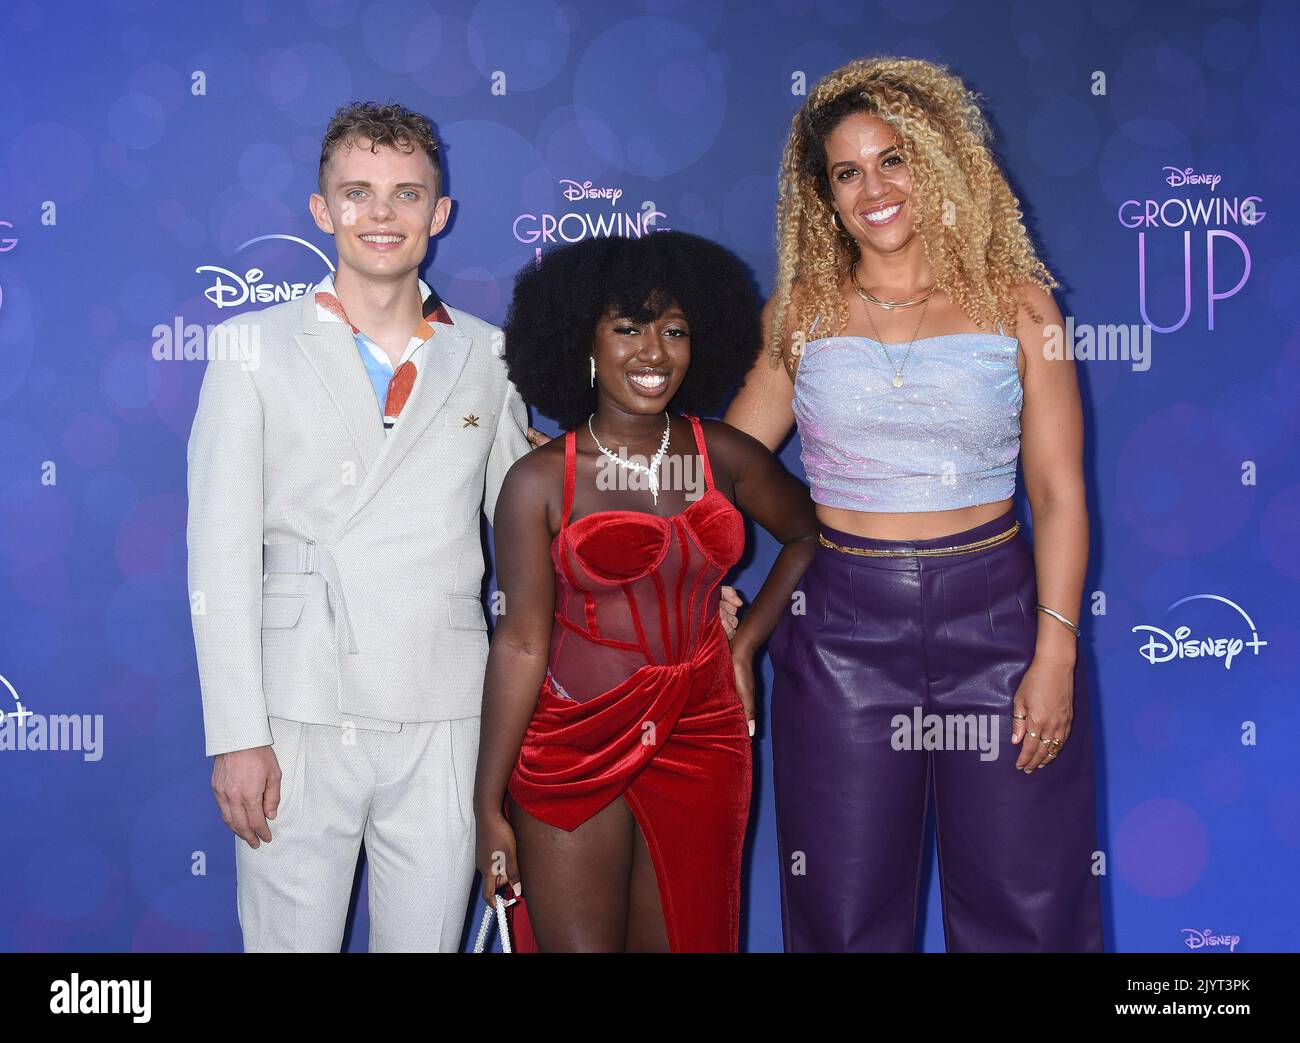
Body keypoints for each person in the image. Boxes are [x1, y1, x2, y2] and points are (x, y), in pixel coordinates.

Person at [723, 57, 1104, 951]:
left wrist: (1054, 650)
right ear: (825, 195)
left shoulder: (1019, 304)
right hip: (842, 631)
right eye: (847, 172)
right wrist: (700, 574)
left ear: (934, 161)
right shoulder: (802, 313)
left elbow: (1057, 491)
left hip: (1001, 622)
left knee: (1030, 908)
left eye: (892, 159)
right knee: (844, 914)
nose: (874, 188)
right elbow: (724, 471)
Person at [187, 101, 547, 951]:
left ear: (439, 213)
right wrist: (238, 733)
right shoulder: (251, 349)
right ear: (322, 211)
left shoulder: (492, 357)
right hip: (297, 708)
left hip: (446, 709)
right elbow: (219, 554)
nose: (381, 214)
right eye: (357, 193)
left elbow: (535, 525)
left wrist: (677, 573)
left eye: (406, 193)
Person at [472, 231, 819, 952]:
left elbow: (809, 532)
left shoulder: (723, 454)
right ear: (585, 341)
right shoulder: (539, 482)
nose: (653, 352)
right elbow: (522, 641)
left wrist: (745, 645)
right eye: (628, 327)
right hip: (571, 743)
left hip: (703, 736)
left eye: (674, 330)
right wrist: (486, 803)